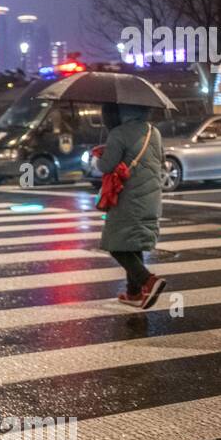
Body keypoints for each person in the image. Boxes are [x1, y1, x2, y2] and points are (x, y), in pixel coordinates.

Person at [93, 101, 166, 308]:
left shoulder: (118, 133)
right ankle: (133, 293)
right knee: (134, 243)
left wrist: (101, 155)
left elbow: (106, 166)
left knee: (115, 245)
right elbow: (161, 159)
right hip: (151, 198)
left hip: (127, 199)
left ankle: (148, 280)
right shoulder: (154, 132)